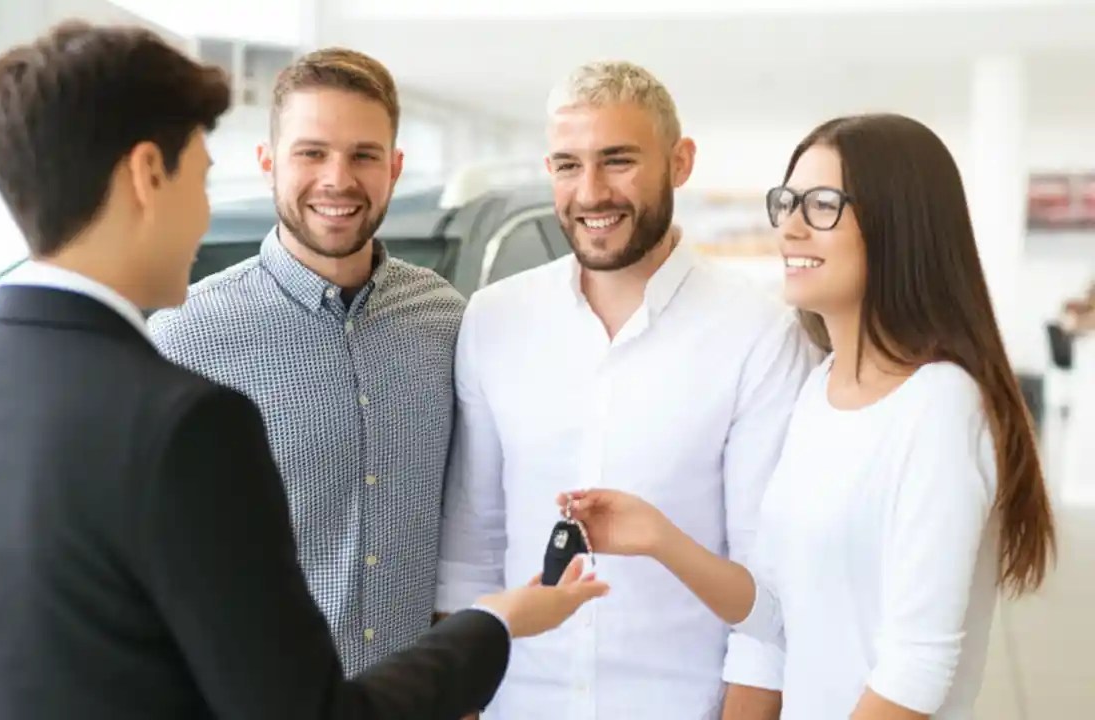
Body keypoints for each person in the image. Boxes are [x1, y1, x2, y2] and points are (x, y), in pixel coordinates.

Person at [0, 21, 607, 720]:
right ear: (146, 176)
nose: (203, 216)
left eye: (362, 155)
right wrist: (495, 625)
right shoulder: (183, 409)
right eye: (199, 174)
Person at [560, 113, 1058, 719]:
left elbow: (917, 670)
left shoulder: (940, 405)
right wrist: (659, 539)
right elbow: (775, 616)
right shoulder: (818, 388)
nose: (790, 228)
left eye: (822, 204)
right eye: (788, 202)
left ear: (900, 226)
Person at [434, 60, 821, 719]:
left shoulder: (760, 333)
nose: (590, 192)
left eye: (617, 161)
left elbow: (768, 592)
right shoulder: (494, 318)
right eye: (566, 165)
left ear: (680, 162)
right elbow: (471, 549)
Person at [147, 46, 464, 676]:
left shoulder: (449, 323)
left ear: (394, 168)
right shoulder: (184, 338)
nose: (338, 179)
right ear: (268, 163)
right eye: (311, 152)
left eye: (364, 155)